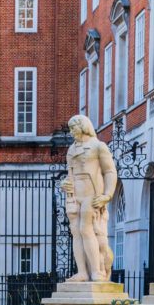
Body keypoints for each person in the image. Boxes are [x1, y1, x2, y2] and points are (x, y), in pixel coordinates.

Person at [60, 114, 119, 283]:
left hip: (91, 194)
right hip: (75, 194)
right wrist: (65, 184)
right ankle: (82, 272)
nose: (71, 132)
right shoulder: (72, 150)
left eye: (74, 128)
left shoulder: (98, 146)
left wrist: (107, 195)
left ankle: (97, 272)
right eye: (70, 129)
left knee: (86, 229)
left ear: (83, 127)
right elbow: (69, 175)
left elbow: (109, 171)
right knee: (76, 232)